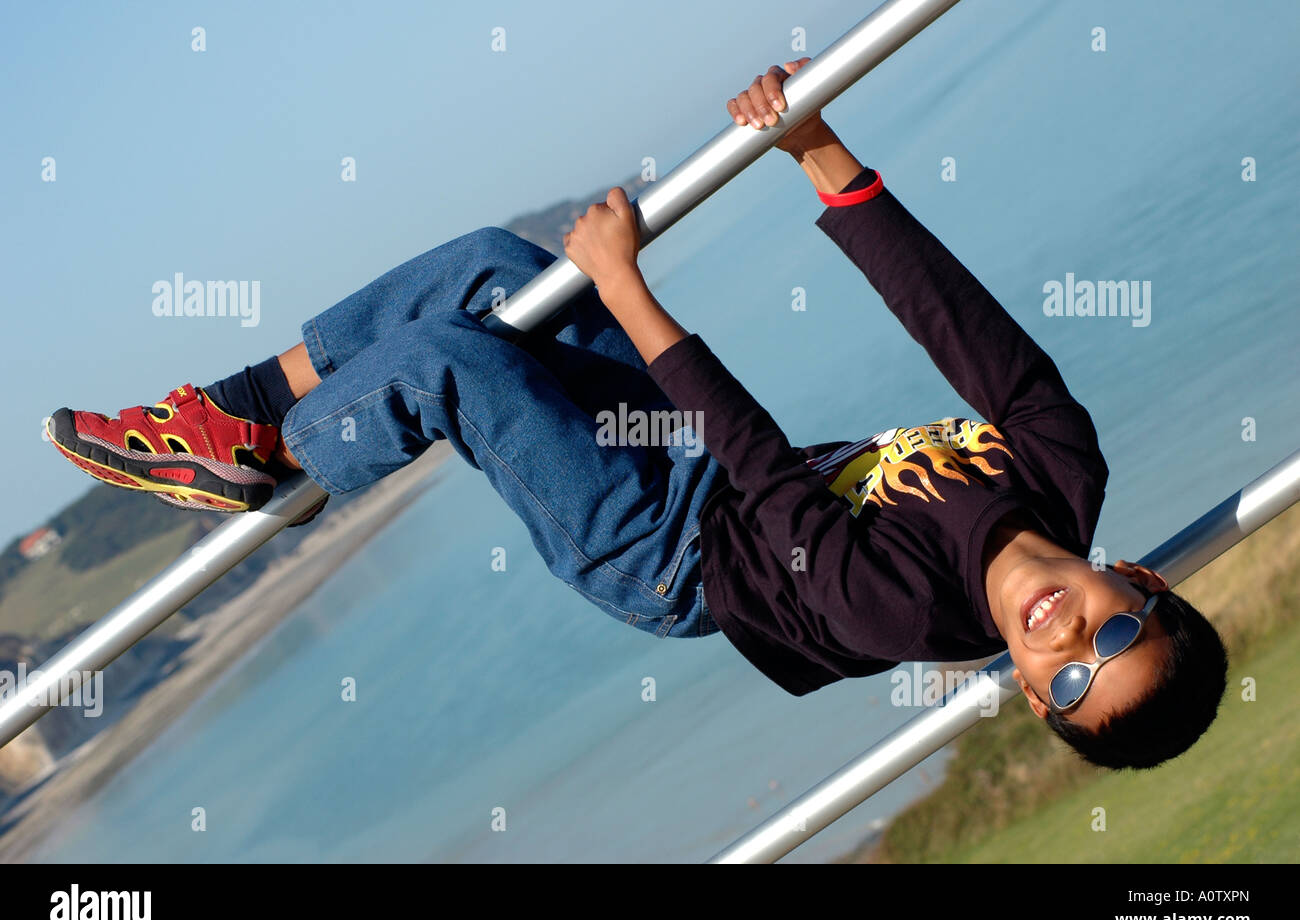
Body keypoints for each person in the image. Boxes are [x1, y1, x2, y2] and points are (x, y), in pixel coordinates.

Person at [47, 60, 1227, 770]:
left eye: (1064, 686)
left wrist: (624, 287)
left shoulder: (899, 612)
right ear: (1146, 586)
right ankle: (236, 418)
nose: (1066, 643)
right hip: (694, 466)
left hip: (664, 552)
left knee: (450, 364)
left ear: (1028, 693)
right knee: (489, 267)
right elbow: (955, 319)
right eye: (1113, 637)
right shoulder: (1064, 470)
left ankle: (279, 461)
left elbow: (766, 470)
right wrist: (814, 146)